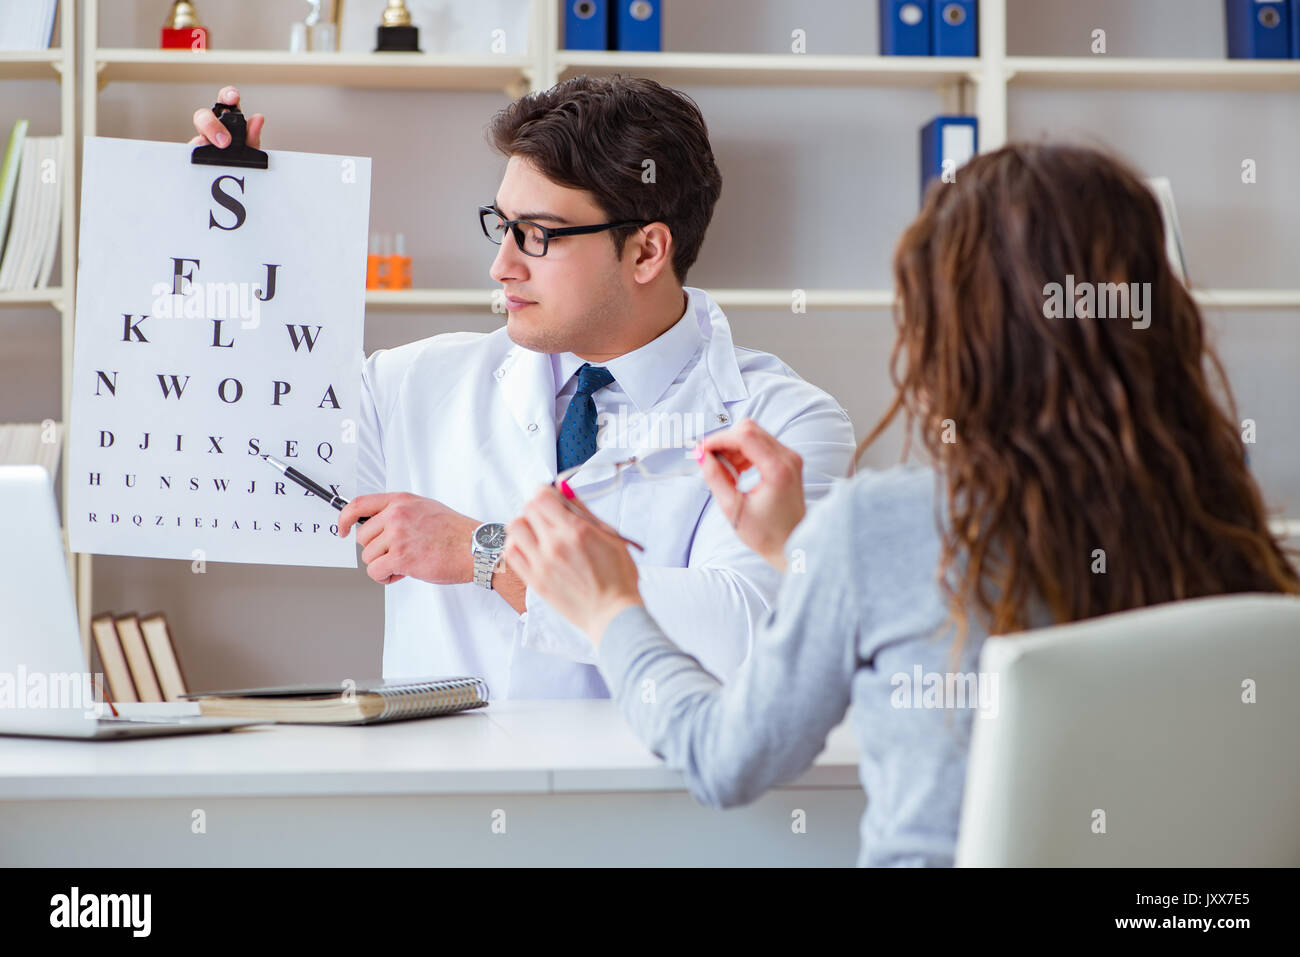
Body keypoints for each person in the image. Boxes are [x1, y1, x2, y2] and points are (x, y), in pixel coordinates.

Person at [502, 143, 1300, 865]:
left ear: (954, 332)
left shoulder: (885, 524)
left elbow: (724, 759)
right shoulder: (1229, 538)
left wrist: (610, 606)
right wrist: (801, 554)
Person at [190, 79, 856, 698]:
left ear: (648, 251)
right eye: (502, 224)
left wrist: (483, 553)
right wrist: (232, 228)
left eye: (537, 235)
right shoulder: (411, 385)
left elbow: (751, 632)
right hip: (439, 809)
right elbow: (242, 435)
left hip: (661, 812)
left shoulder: (783, 423)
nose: (500, 264)